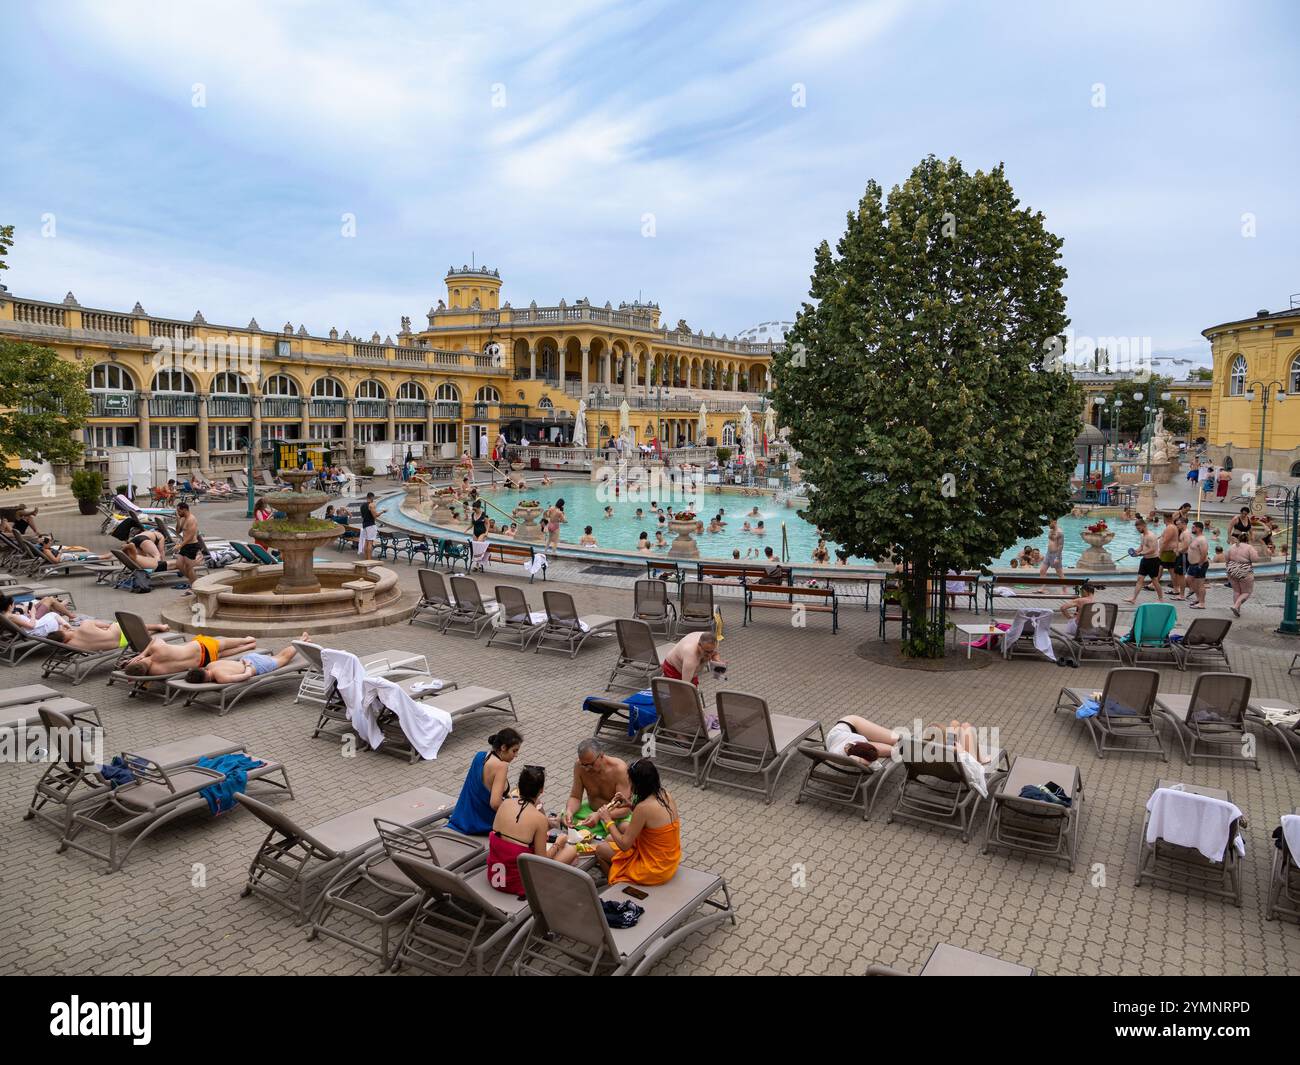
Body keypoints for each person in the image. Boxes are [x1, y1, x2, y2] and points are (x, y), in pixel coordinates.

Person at [487, 765, 578, 896]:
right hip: (520, 883)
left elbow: (517, 829)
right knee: (571, 850)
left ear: (518, 787)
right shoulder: (539, 818)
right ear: (541, 790)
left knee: (571, 858)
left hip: (495, 876)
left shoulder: (505, 804)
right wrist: (558, 843)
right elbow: (542, 861)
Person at [595, 759, 681, 886]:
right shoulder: (665, 794)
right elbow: (650, 818)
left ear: (637, 784)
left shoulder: (643, 808)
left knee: (601, 849)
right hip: (670, 861)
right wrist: (630, 804)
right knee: (611, 836)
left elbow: (624, 845)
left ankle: (615, 886)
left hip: (654, 869)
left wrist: (607, 820)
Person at [448, 728, 522, 835]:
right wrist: (516, 815)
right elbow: (495, 804)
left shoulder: (480, 756)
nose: (516, 755)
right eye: (514, 751)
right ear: (503, 747)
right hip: (481, 824)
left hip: (463, 817)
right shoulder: (502, 766)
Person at [562, 738, 632, 832]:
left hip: (615, 815)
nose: (587, 769)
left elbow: (626, 809)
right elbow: (575, 797)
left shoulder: (619, 769)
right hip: (591, 812)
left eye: (591, 764)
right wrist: (569, 811)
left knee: (625, 828)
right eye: (584, 765)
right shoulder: (579, 766)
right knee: (564, 817)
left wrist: (600, 815)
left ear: (602, 755)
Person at [183, 636, 306, 684]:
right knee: (278, 656)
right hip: (248, 658)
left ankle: (302, 643)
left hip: (254, 666)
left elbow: (246, 676)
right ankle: (300, 641)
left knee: (283, 659)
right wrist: (246, 662)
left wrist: (247, 666)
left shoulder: (221, 677)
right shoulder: (211, 664)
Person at [121, 634, 259, 676]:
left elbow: (141, 669)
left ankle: (248, 646)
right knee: (222, 644)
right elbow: (156, 639)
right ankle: (247, 640)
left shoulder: (156, 671)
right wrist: (142, 654)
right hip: (202, 647)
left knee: (221, 654)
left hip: (202, 661)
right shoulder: (158, 651)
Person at [47, 616, 170, 653]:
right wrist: (107, 628)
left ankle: (156, 629)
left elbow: (63, 638)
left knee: (128, 632)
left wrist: (65, 632)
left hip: (121, 643)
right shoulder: (84, 626)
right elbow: (103, 625)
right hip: (117, 632)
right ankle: (159, 627)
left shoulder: (73, 646)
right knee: (119, 625)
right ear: (64, 633)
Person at [825, 715, 904, 765]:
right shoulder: (845, 755)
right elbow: (876, 766)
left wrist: (867, 762)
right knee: (894, 750)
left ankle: (911, 746)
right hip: (842, 737)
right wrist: (865, 762)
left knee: (896, 739)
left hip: (851, 723)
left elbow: (874, 766)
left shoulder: (860, 739)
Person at [661, 629, 725, 687]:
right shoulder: (691, 658)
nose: (710, 655)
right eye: (707, 652)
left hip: (690, 671)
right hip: (673, 669)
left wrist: (717, 660)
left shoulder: (713, 642)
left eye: (712, 651)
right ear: (699, 645)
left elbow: (715, 653)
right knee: (679, 695)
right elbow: (685, 686)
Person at [1126, 517, 1163, 604]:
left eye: (1139, 528)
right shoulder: (1142, 536)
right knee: (1139, 579)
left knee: (1154, 580)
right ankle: (1133, 599)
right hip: (1145, 560)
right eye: (1137, 529)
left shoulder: (1151, 536)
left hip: (1153, 560)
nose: (1138, 530)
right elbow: (1141, 547)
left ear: (1144, 526)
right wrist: (1136, 551)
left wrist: (1141, 554)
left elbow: (1152, 549)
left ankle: (1161, 599)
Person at [1226, 532, 1258, 617]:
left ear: (1239, 538)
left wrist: (1228, 570)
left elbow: (1227, 558)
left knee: (1236, 591)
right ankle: (1236, 606)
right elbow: (1255, 559)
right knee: (1247, 592)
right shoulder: (1249, 547)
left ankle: (1237, 610)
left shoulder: (1232, 546)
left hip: (1231, 568)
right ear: (1248, 539)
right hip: (1244, 569)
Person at [173, 502, 201, 588]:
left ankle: (195, 586)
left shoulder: (191, 519)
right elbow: (178, 532)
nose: (178, 513)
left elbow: (191, 536)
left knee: (189, 568)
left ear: (184, 509)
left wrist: (180, 546)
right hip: (185, 545)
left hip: (192, 545)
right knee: (179, 564)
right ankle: (194, 582)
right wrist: (177, 520)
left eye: (179, 511)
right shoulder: (183, 518)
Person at [1184, 521, 1210, 608]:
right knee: (1189, 581)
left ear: (1199, 528)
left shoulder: (1202, 540)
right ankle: (1198, 599)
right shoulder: (1196, 538)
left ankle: (1202, 603)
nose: (1192, 529)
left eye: (1193, 527)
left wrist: (1200, 565)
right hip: (1193, 565)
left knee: (1200, 584)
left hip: (1199, 565)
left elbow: (1204, 553)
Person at [357, 492, 378, 560]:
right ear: (371, 497)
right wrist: (383, 512)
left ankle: (366, 559)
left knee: (366, 542)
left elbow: (363, 516)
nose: (373, 500)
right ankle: (369, 560)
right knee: (370, 542)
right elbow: (375, 516)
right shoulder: (371, 505)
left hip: (364, 525)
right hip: (371, 525)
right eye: (373, 498)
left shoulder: (362, 505)